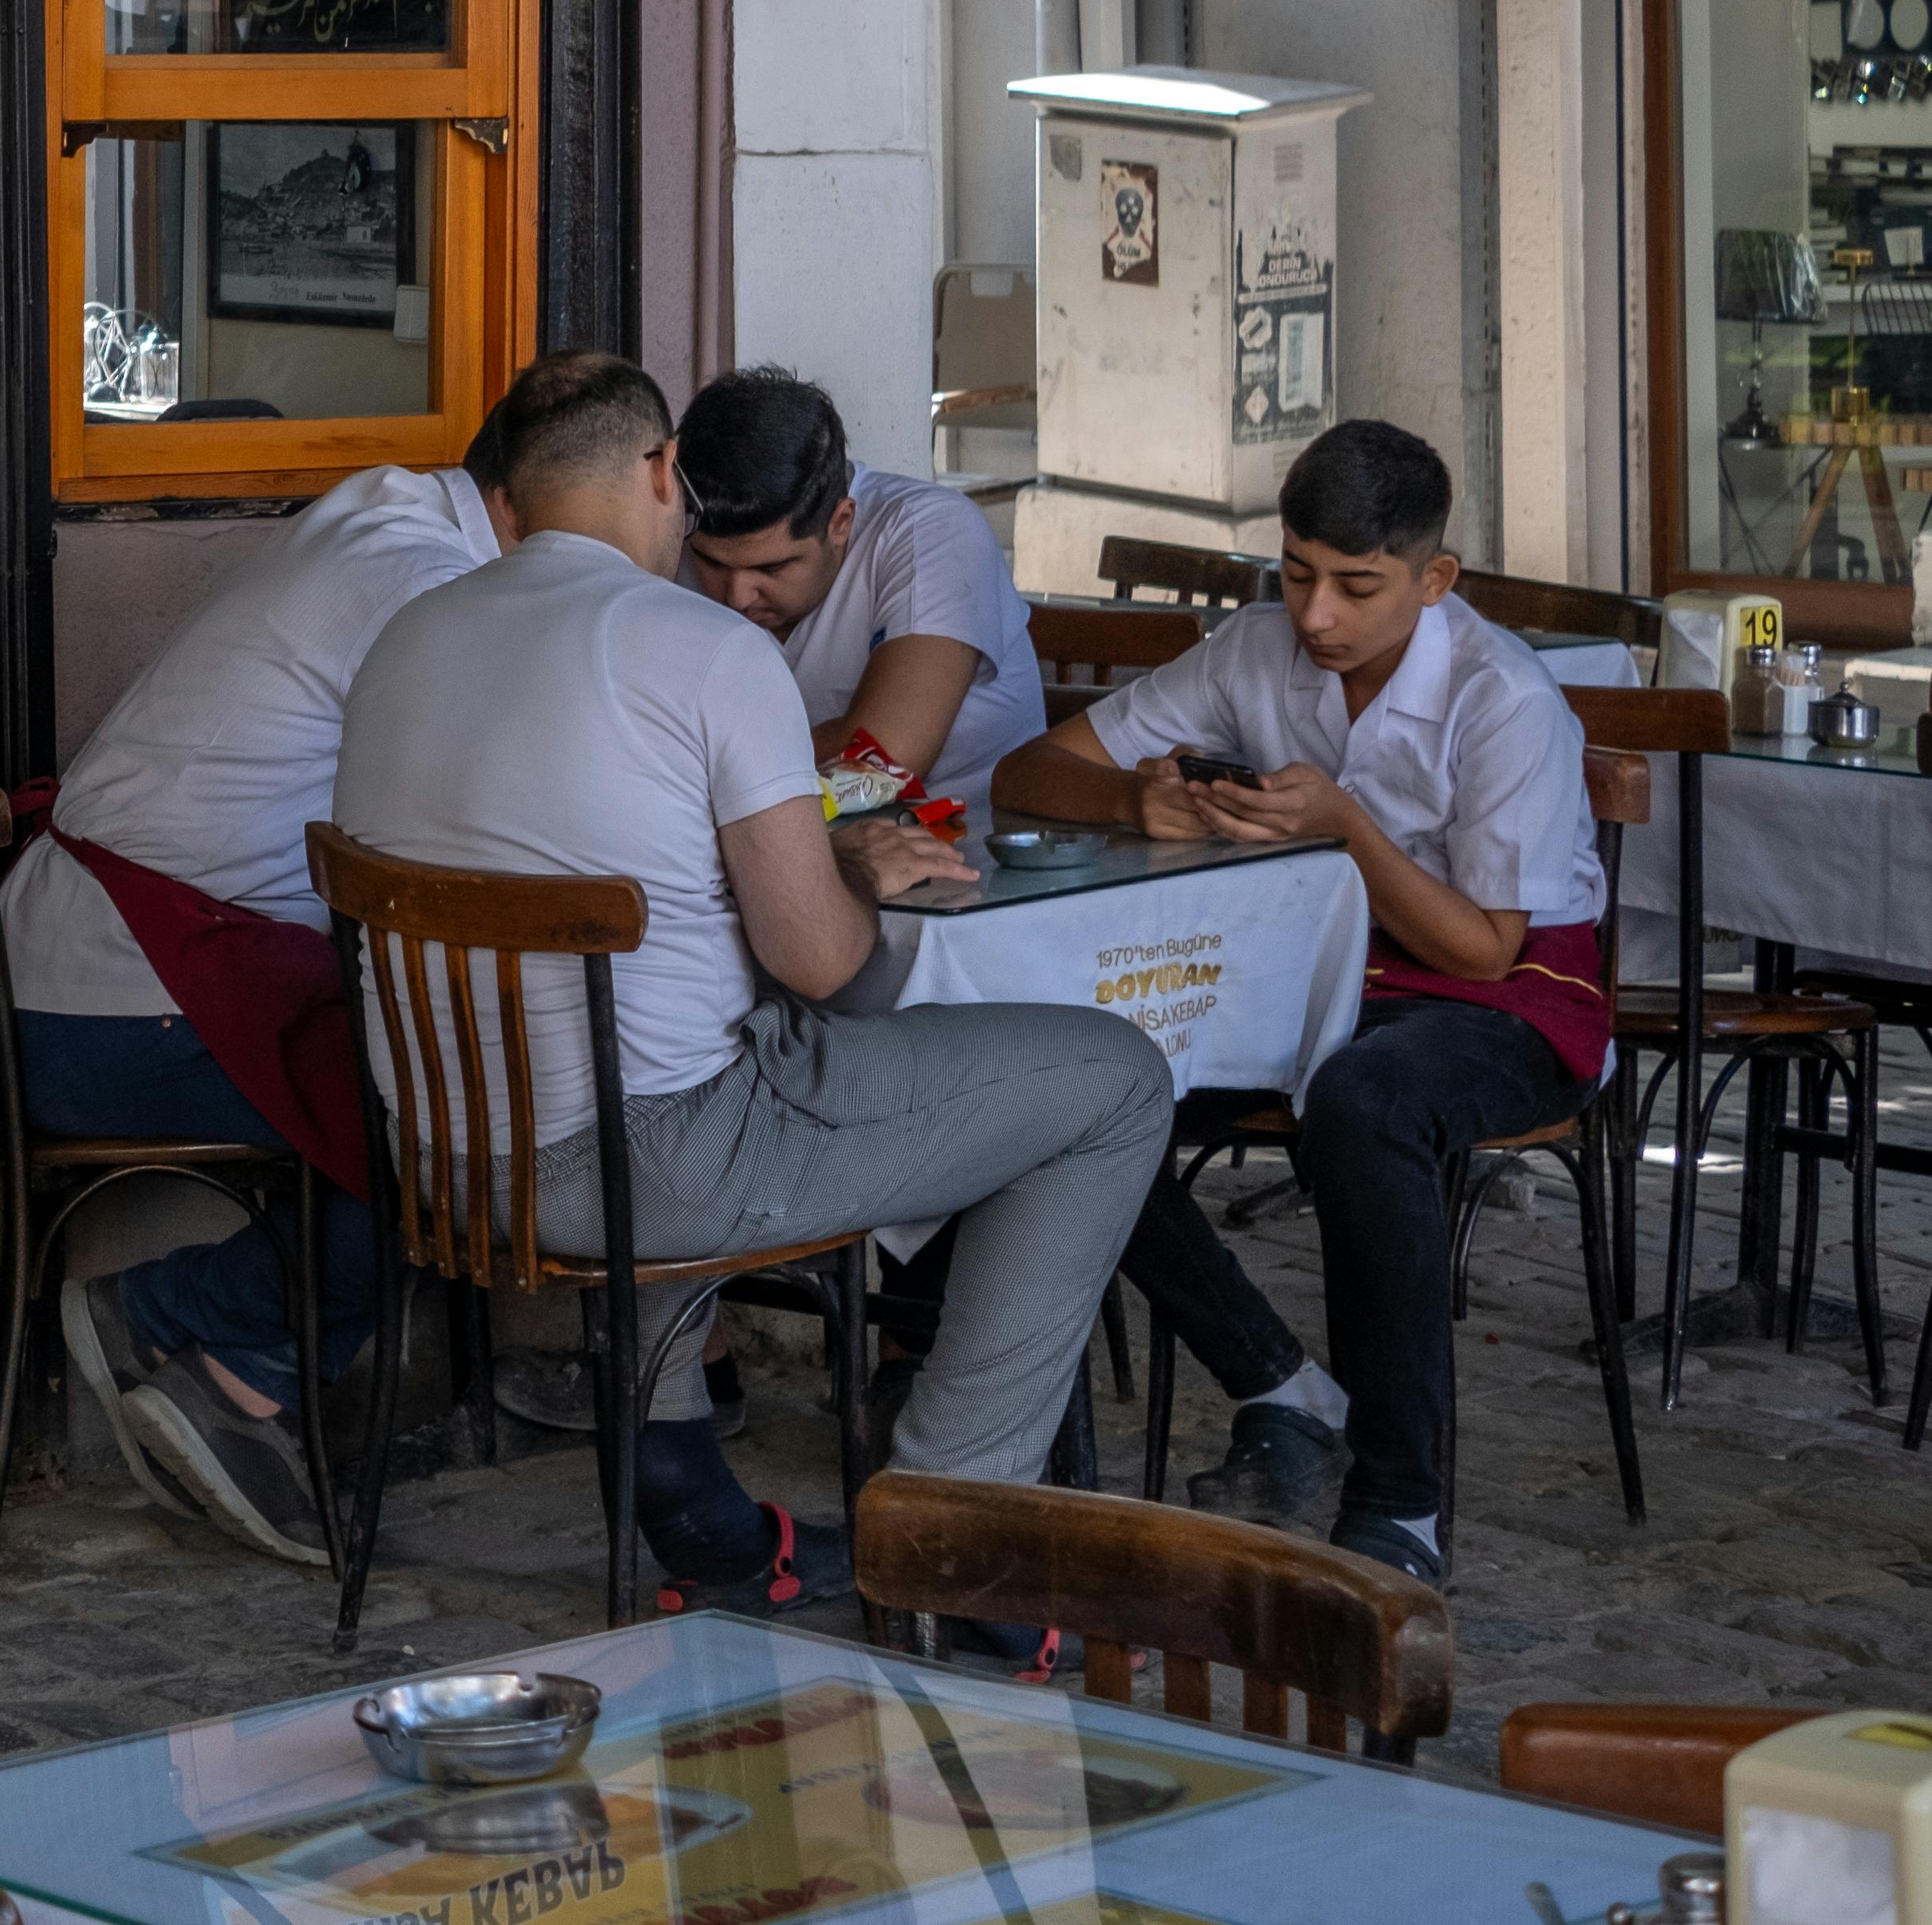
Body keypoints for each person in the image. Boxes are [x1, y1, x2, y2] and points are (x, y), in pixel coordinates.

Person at [333, 356, 1169, 1607]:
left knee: (673, 1032)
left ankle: (689, 1507)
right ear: (663, 473)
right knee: (1113, 1080)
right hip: (644, 1166)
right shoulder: (702, 650)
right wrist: (847, 867)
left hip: (445, 1158)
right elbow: (820, 961)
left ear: (505, 496)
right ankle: (958, 1530)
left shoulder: (407, 635)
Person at [2, 354, 620, 1562]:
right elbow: (497, 826)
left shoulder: (387, 508)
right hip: (117, 1008)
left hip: (78, 973)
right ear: (533, 500)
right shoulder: (429, 585)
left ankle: (209, 1339)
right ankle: (215, 1339)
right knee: (457, 1112)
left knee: (444, 1067)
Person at [990, 420, 1603, 1588]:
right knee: (1073, 1085)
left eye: (1355, 585)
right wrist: (1134, 802)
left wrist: (1345, 829)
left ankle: (1398, 1501)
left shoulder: (1501, 696)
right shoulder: (1252, 649)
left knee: (1362, 1100)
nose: (1315, 615)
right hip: (1298, 970)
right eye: (1295, 573)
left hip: (1506, 999)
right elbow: (1027, 773)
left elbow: (1479, 949)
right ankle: (1276, 1381)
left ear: (1433, 579)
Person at [678, 368, 1048, 816]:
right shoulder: (675, 534)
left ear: (841, 523)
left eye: (772, 567)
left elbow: (889, 759)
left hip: (973, 859)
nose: (737, 597)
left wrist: (697, 773)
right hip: (771, 848)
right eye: (712, 563)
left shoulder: (931, 532)